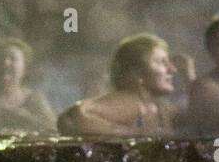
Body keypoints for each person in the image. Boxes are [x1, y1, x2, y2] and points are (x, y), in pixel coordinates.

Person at [57, 33, 186, 137]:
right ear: (138, 73)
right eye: (161, 62)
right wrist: (137, 135)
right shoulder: (133, 101)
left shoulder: (157, 105)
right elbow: (73, 118)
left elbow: (196, 115)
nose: (172, 69)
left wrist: (189, 78)